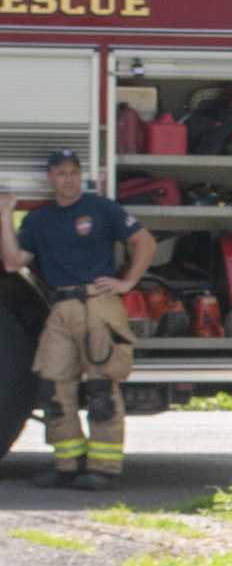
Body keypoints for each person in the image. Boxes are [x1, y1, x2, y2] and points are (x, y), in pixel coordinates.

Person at [0, 150, 156, 490]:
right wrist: (4, 214)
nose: (67, 180)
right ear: (50, 179)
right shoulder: (39, 221)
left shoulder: (102, 209)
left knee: (100, 388)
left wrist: (128, 281)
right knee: (53, 389)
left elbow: (144, 241)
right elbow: (13, 263)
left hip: (97, 304)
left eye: (72, 173)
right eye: (60, 174)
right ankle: (67, 464)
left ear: (79, 176)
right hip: (60, 308)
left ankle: (103, 468)